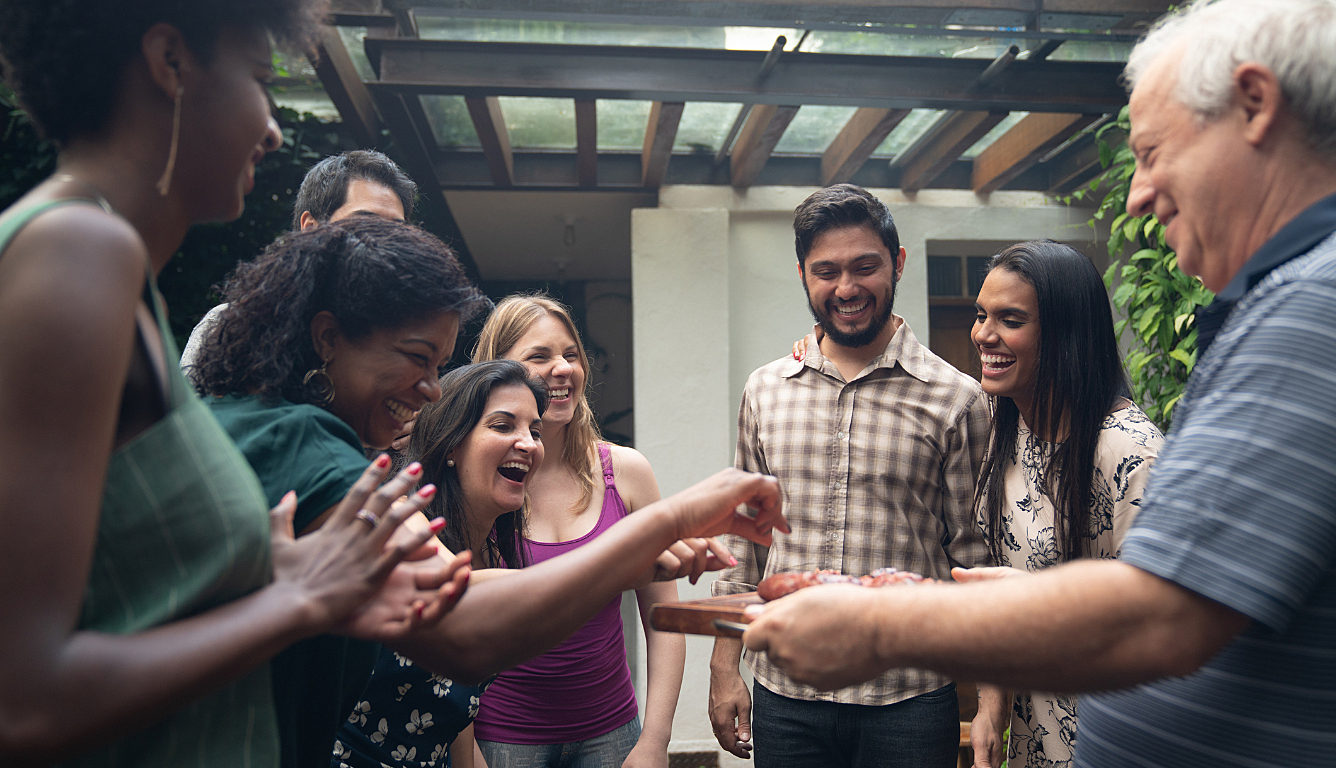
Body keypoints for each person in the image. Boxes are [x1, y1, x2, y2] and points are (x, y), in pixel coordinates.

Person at [741, 1, 1336, 766]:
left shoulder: (1309, 307)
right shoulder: (1290, 300)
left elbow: (1164, 616)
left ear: (1255, 105)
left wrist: (880, 628)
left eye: (1152, 152)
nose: (1137, 195)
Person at [0, 2, 459, 765]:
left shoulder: (99, 266)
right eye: (257, 78)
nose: (273, 129)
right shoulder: (79, 252)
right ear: (170, 63)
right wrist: (295, 602)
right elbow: (24, 698)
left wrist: (271, 571)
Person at [190, 216, 490, 768]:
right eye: (417, 357)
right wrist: (655, 530)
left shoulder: (233, 419)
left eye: (441, 366)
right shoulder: (307, 447)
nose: (432, 388)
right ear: (328, 338)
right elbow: (468, 631)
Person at [709, 184, 992, 767]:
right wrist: (722, 668)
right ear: (803, 275)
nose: (846, 288)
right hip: (786, 694)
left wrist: (991, 697)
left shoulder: (957, 400)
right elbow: (744, 541)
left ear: (898, 263)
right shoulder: (765, 391)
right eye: (826, 271)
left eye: (865, 267)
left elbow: (974, 558)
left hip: (909, 695)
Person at [965, 241, 1163, 768]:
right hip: (1036, 738)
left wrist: (1031, 598)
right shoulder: (1007, 426)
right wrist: (993, 704)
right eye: (982, 315)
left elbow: (1160, 622)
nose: (984, 334)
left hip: (1119, 738)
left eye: (1010, 319)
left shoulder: (1129, 452)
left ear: (1065, 334)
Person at [470, 295, 684, 768]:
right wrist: (466, 754)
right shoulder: (476, 482)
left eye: (570, 354)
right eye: (539, 356)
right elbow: (448, 629)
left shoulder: (625, 473)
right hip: (502, 739)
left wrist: (655, 741)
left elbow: (665, 615)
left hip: (612, 734)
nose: (562, 368)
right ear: (498, 370)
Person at [335, 360, 547, 768]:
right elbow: (463, 597)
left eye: (535, 431)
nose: (528, 444)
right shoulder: (403, 519)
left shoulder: (495, 556)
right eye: (503, 426)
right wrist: (638, 546)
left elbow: (457, 718)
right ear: (451, 443)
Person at [180, 148, 415, 370]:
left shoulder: (405, 339)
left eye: (396, 230)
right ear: (311, 228)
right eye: (365, 222)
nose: (384, 239)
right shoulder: (232, 328)